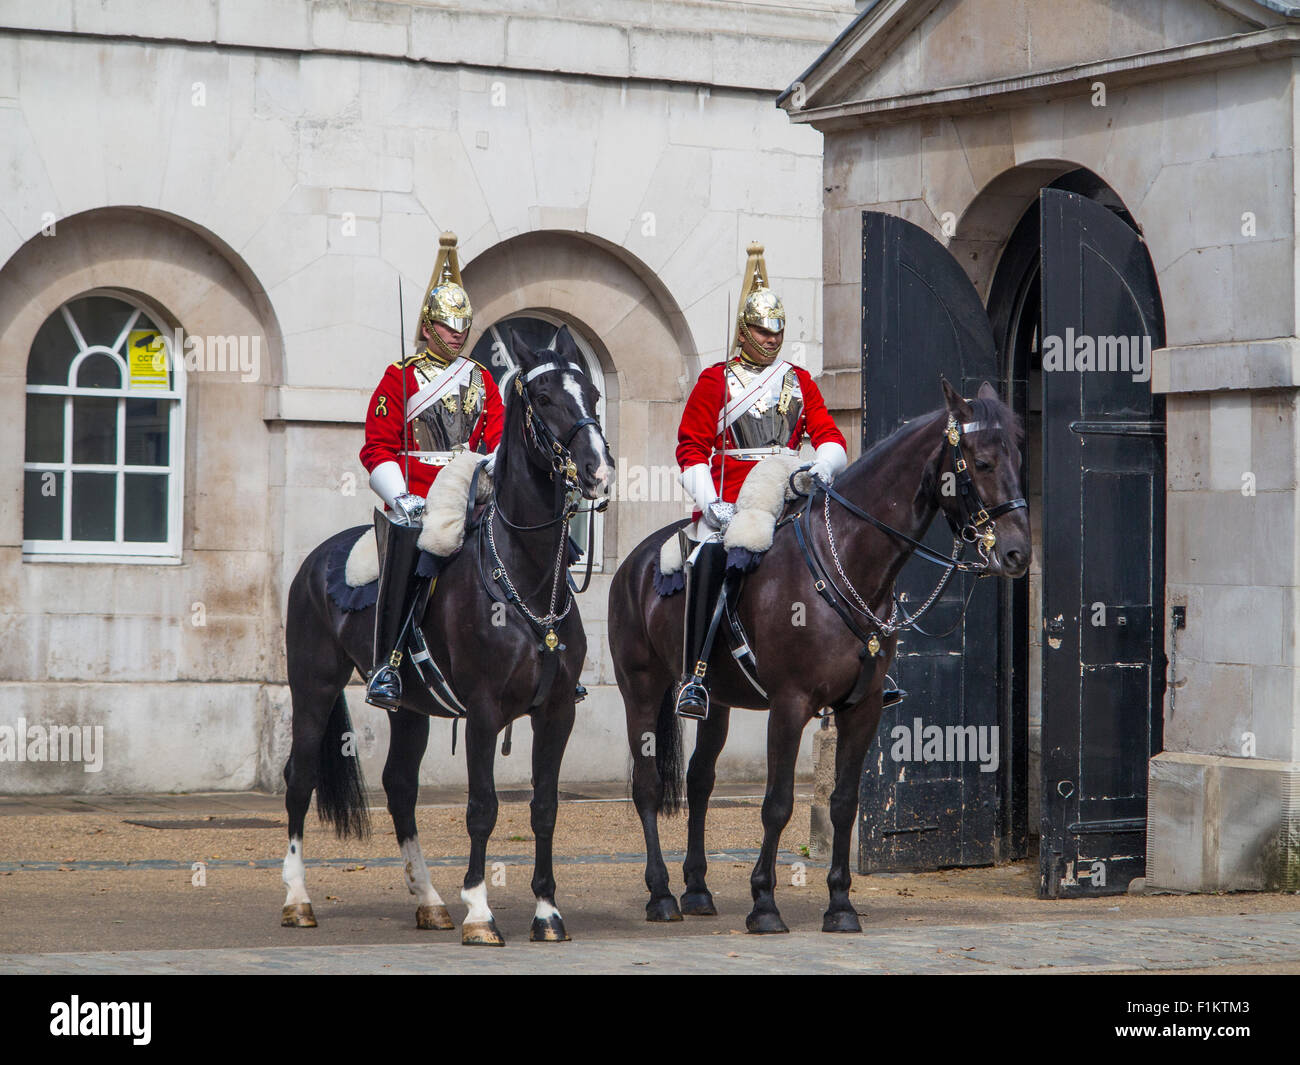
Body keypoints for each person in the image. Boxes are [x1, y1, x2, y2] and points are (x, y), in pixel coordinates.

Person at [673, 242, 848, 720]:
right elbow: (691, 448)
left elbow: (829, 435)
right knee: (709, 557)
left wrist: (822, 466)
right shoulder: (716, 381)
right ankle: (697, 674)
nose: (770, 338)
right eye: (761, 329)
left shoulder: (799, 380)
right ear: (742, 329)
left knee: (847, 547)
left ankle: (865, 663)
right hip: (733, 502)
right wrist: (711, 504)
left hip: (791, 492)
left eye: (777, 330)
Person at [358, 232, 503, 710]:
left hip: (470, 494)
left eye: (463, 325)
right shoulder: (399, 377)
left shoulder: (482, 380)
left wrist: (492, 474)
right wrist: (399, 495)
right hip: (416, 495)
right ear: (427, 326)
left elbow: (497, 438)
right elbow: (377, 447)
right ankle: (389, 663)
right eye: (447, 325)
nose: (457, 333)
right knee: (404, 552)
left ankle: (552, 652)